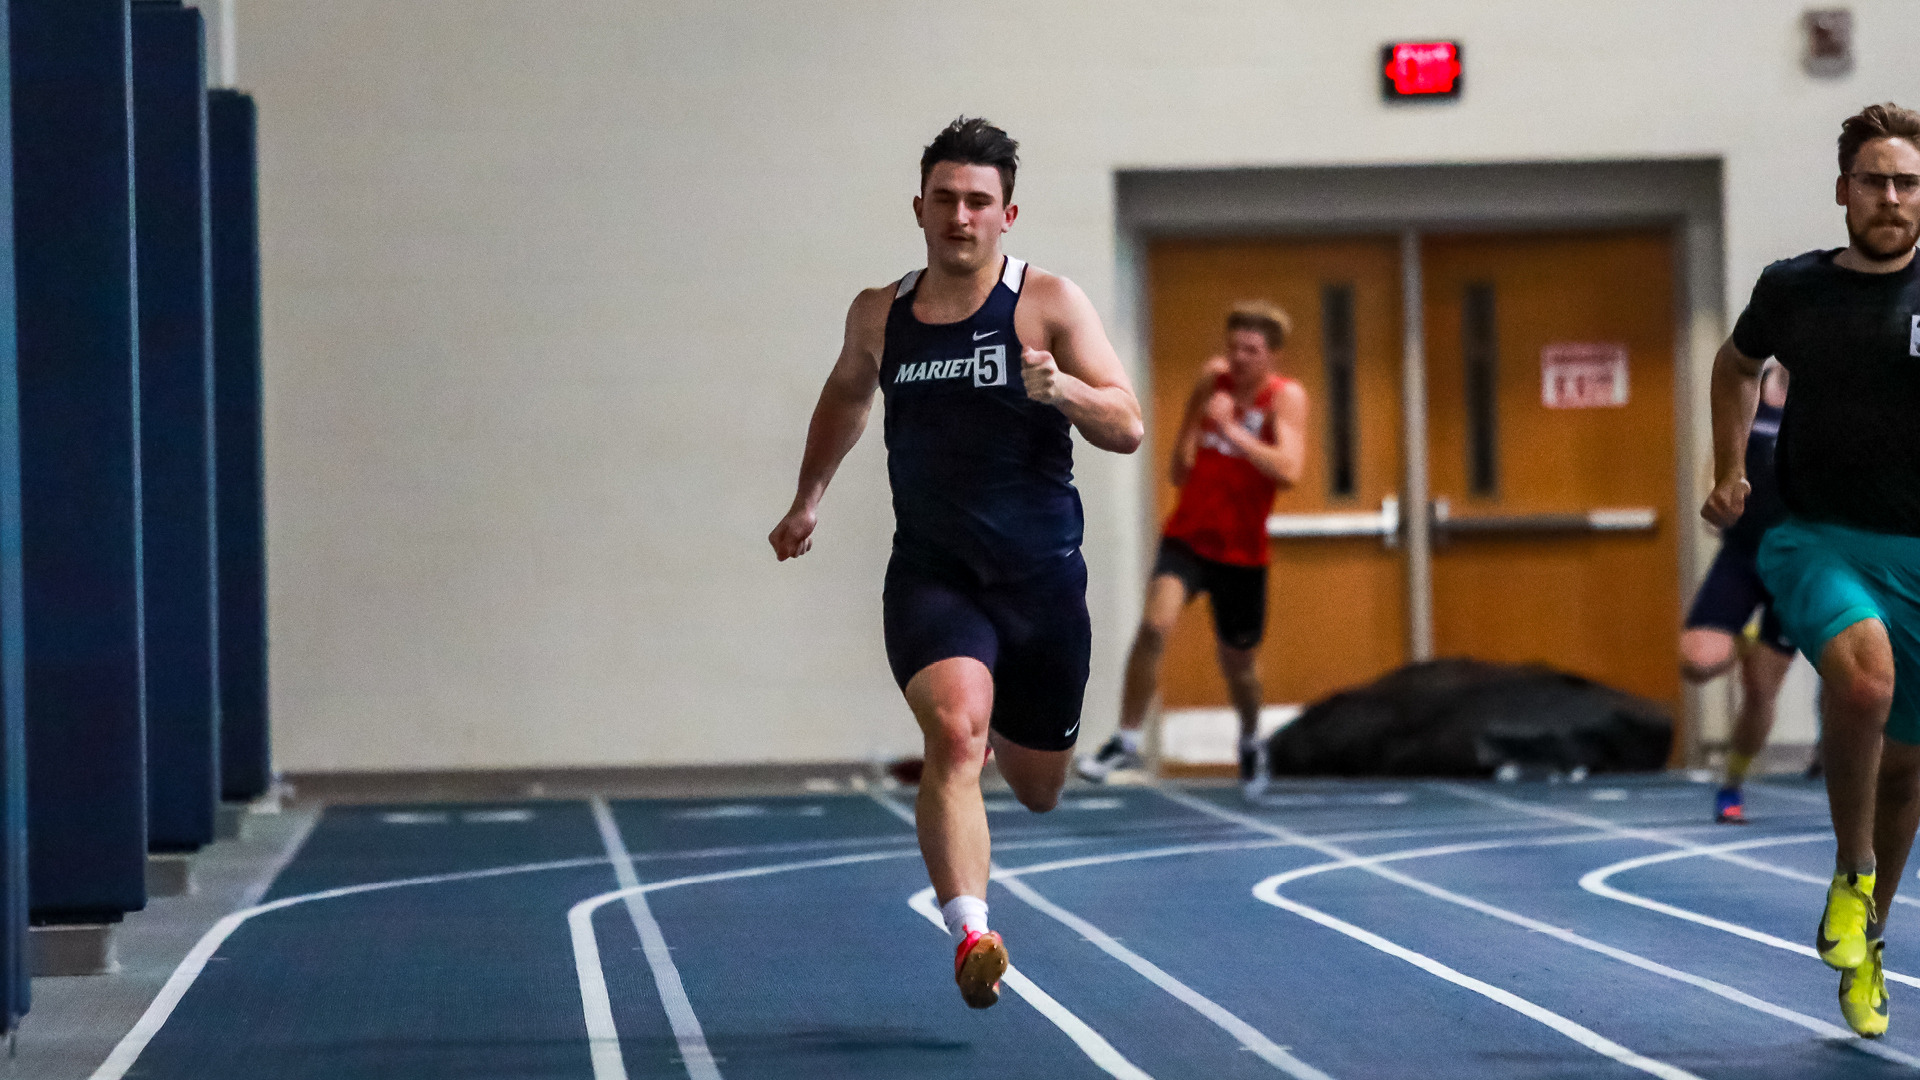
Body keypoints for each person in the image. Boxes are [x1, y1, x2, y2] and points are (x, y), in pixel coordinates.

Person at [768, 117, 1141, 1010]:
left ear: (1007, 215)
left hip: (1042, 584)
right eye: (945, 200)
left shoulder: (1048, 303)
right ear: (919, 208)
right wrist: (808, 497)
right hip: (935, 576)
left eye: (978, 202)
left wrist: (1064, 389)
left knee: (1038, 788)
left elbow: (1127, 424)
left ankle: (1012, 725)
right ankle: (973, 933)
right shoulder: (879, 313)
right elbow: (846, 397)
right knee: (955, 733)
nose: (960, 217)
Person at [1703, 102, 1920, 1039]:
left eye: (1908, 183)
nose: (1891, 198)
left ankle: (1867, 940)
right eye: (1875, 181)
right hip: (1816, 536)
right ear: (1844, 191)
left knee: (1906, 776)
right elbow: (1734, 366)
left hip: (1916, 551)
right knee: (1865, 682)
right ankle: (1853, 871)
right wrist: (1728, 470)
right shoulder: (1794, 288)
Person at [1077, 305, 1306, 795]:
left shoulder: (1285, 398)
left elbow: (1289, 470)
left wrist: (1233, 431)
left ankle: (1250, 738)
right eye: (1234, 347)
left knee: (1239, 664)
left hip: (1242, 552)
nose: (1239, 358)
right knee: (1154, 626)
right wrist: (1192, 435)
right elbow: (1182, 455)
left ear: (1272, 355)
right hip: (1189, 535)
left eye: (1252, 350)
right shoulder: (1212, 381)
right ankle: (1127, 738)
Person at [1683, 361, 1792, 824]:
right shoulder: (1754, 382)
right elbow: (1721, 451)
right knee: (1697, 661)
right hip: (1743, 553)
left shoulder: (1826, 393)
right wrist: (1717, 491)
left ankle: (1731, 785)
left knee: (1760, 690)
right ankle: (1745, 640)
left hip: (1796, 563)